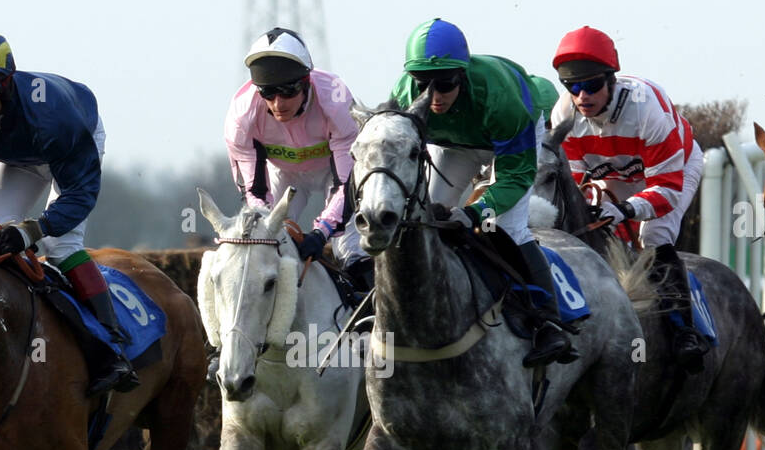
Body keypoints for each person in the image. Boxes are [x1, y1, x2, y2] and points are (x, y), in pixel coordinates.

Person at [0, 27, 138, 394]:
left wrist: (33, 230)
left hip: (71, 145)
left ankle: (112, 347)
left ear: (6, 84)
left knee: (60, 247)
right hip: (20, 157)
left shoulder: (52, 117)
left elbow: (79, 194)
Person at [391, 18, 575, 367]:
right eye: (424, 83)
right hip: (454, 145)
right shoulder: (404, 95)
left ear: (461, 74)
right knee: (425, 219)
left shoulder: (501, 100)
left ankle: (549, 323)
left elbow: (517, 178)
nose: (434, 95)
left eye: (444, 84)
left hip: (508, 141)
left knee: (505, 226)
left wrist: (476, 212)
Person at [551, 25, 709, 372]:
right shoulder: (564, 116)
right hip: (617, 177)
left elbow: (666, 189)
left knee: (653, 237)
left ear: (612, 80)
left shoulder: (647, 109)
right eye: (572, 87)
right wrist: (598, 208)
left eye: (591, 85)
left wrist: (625, 210)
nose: (582, 97)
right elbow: (578, 182)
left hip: (672, 169)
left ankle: (684, 333)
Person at [224, 28, 370, 291]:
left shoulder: (335, 100)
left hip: (332, 174)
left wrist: (321, 231)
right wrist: (271, 227)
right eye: (268, 93)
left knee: (350, 249)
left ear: (306, 82)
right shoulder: (242, 113)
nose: (278, 103)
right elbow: (253, 193)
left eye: (288, 91)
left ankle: (368, 317)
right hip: (284, 175)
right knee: (262, 241)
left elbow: (346, 183)